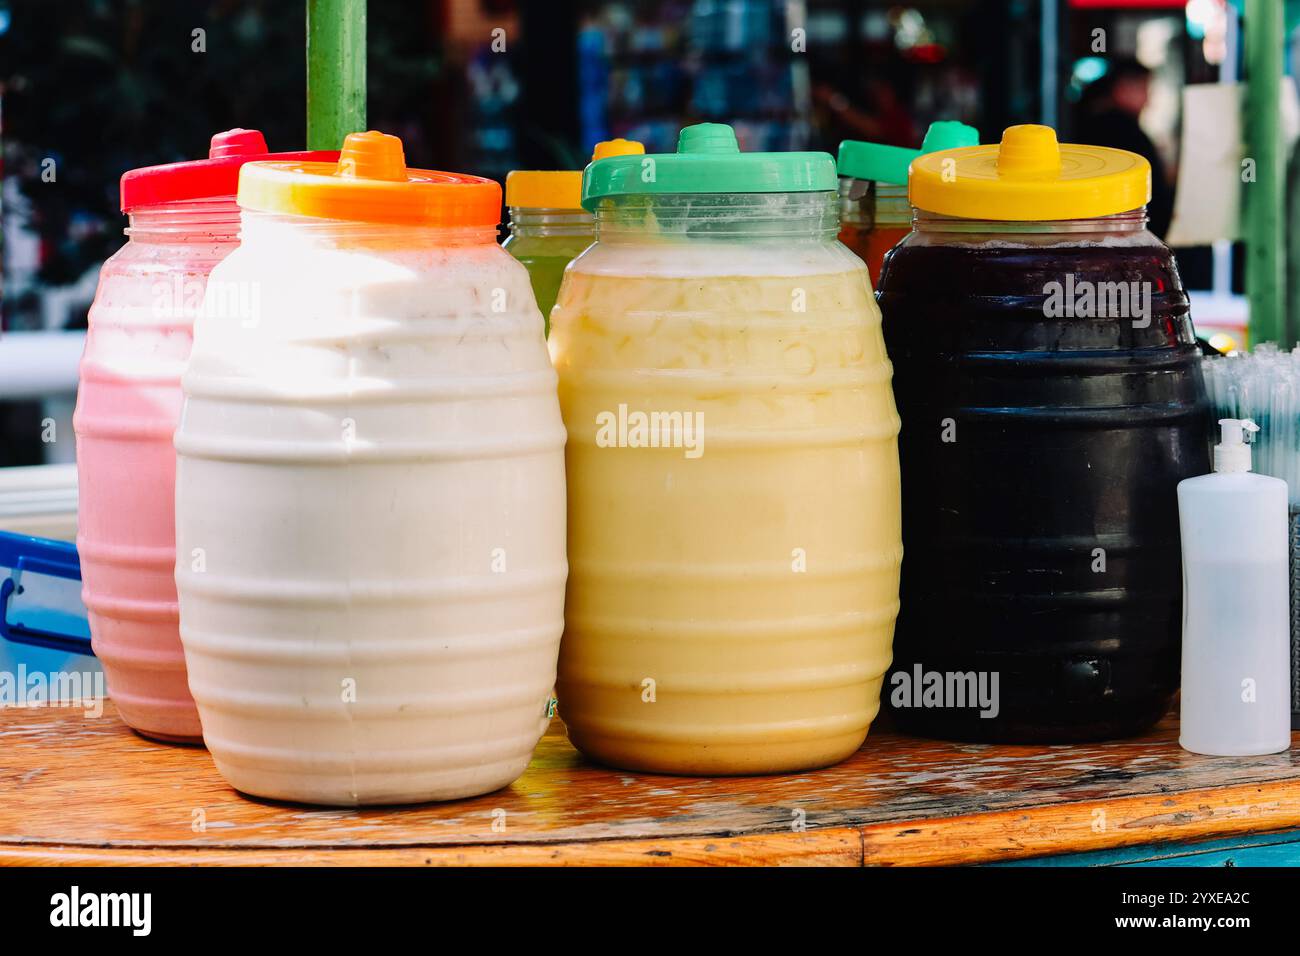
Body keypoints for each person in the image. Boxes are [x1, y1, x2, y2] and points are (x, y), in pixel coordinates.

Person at [1074, 58, 1174, 238]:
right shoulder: (1123, 130)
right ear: (1123, 89)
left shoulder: (1092, 123)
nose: (1148, 101)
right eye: (1144, 90)